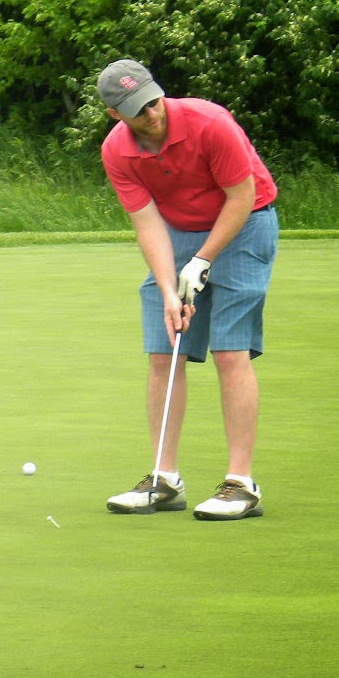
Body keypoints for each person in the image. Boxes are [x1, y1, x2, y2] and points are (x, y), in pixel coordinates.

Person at [96, 58, 278, 521]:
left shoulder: (210, 122)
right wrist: (168, 290)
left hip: (245, 225)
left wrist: (202, 261)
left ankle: (241, 483)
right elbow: (147, 222)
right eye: (139, 110)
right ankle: (165, 478)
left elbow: (241, 198)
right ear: (117, 114)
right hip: (176, 231)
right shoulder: (117, 151)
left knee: (229, 351)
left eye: (154, 101)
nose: (153, 114)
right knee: (165, 351)